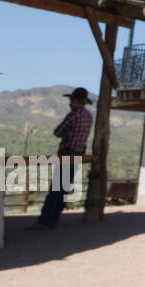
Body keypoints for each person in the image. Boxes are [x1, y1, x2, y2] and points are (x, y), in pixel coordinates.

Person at [29, 87, 93, 230]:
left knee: (56, 188)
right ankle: (53, 219)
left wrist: (66, 135)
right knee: (63, 188)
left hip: (67, 153)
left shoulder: (73, 115)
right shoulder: (89, 116)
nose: (70, 103)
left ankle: (45, 220)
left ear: (75, 101)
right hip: (78, 155)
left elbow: (57, 132)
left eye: (71, 100)